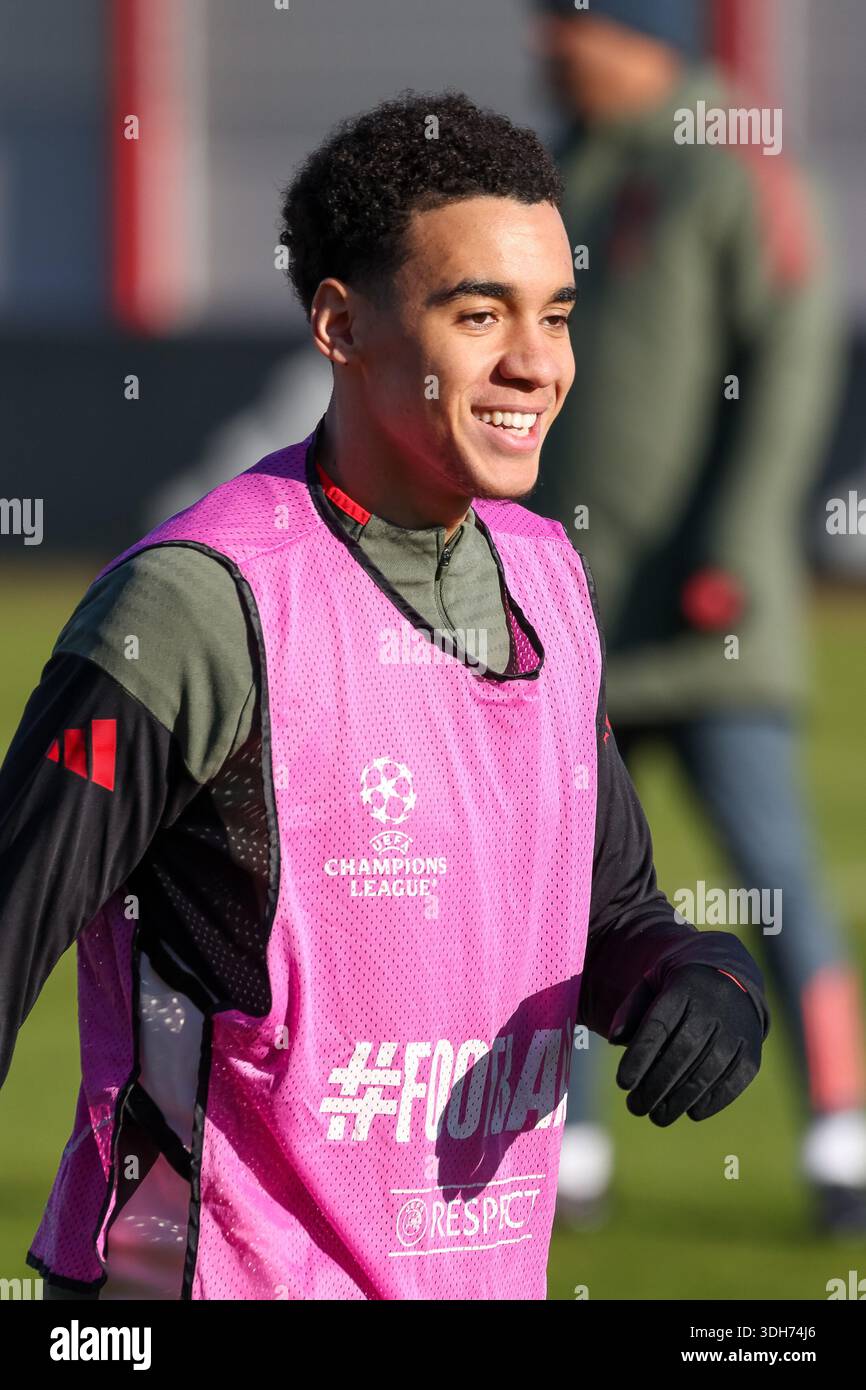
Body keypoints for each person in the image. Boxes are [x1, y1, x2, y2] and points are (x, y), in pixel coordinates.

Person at [0, 91, 768, 1301]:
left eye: (554, 314)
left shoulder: (547, 580)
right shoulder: (198, 607)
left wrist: (699, 981)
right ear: (341, 325)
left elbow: (608, 915)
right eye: (479, 313)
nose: (534, 362)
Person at [529, 0, 866, 1232]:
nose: (548, 44)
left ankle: (842, 1136)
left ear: (644, 34)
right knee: (551, 885)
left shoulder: (730, 161)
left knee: (773, 874)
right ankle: (562, 1154)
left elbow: (789, 361)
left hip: (711, 616)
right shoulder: (550, 173)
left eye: (571, 23)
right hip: (569, 621)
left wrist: (729, 542)